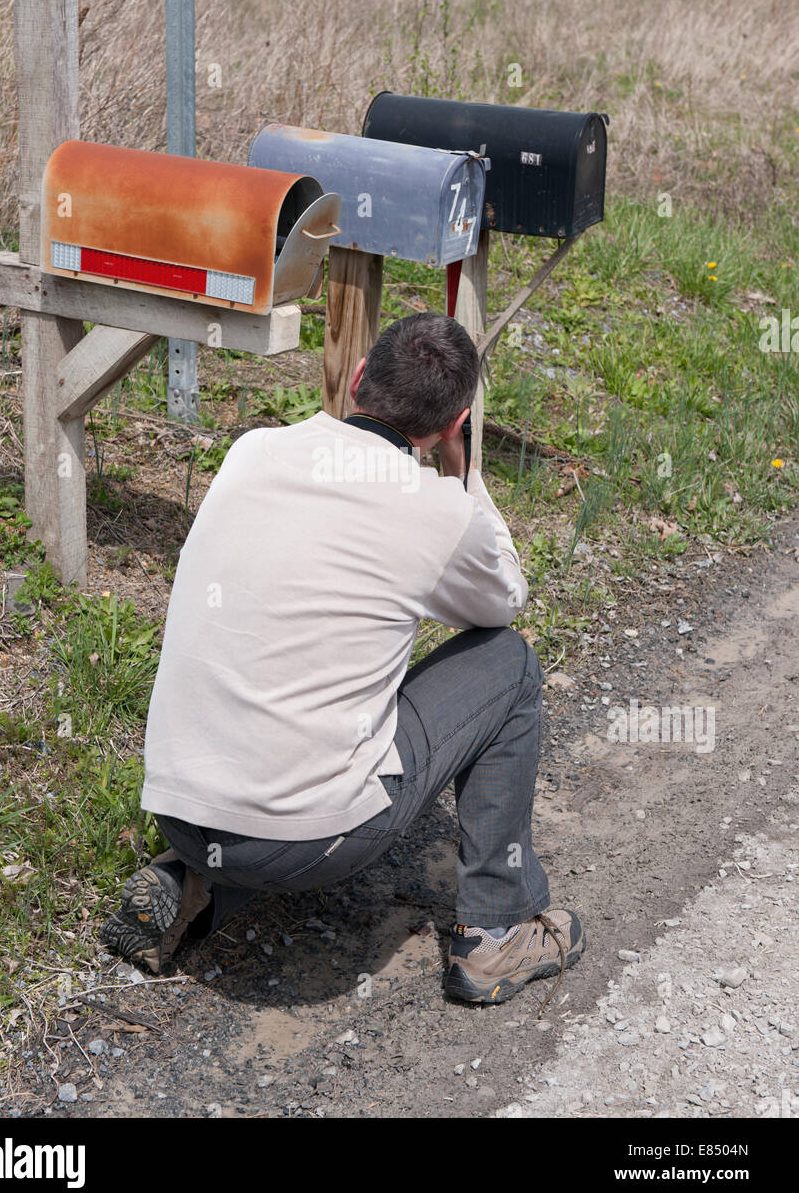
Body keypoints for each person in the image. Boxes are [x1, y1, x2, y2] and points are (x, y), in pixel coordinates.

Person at [102, 313, 584, 1006]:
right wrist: (464, 476)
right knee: (508, 667)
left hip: (179, 807)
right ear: (455, 421)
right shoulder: (436, 509)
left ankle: (196, 879)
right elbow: (501, 603)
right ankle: (493, 935)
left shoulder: (253, 451)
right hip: (311, 843)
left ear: (357, 378)